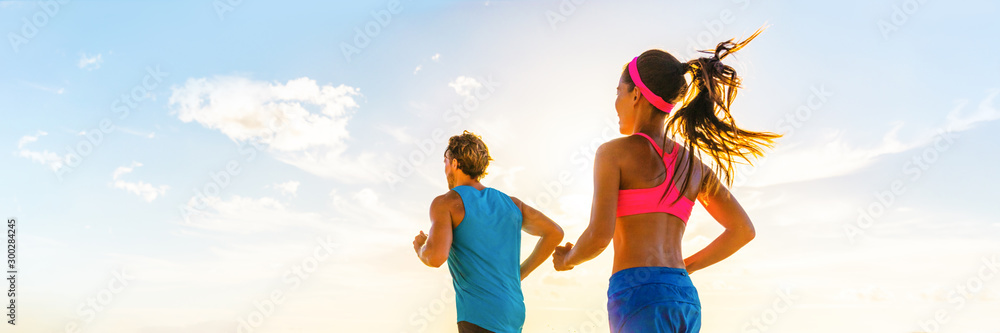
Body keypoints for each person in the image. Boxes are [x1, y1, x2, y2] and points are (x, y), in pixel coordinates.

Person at [551, 29, 780, 333]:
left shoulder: (613, 154)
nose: (615, 103)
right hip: (684, 297)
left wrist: (567, 259)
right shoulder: (695, 166)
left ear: (635, 95)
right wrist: (687, 267)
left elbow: (598, 236)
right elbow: (742, 230)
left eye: (617, 92)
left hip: (638, 295)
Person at [413, 130, 565, 333]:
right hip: (514, 312)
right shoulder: (512, 204)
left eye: (445, 162)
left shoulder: (446, 203)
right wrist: (518, 274)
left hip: (479, 315)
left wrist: (421, 247)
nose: (445, 169)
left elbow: (435, 257)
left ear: (455, 163)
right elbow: (554, 232)